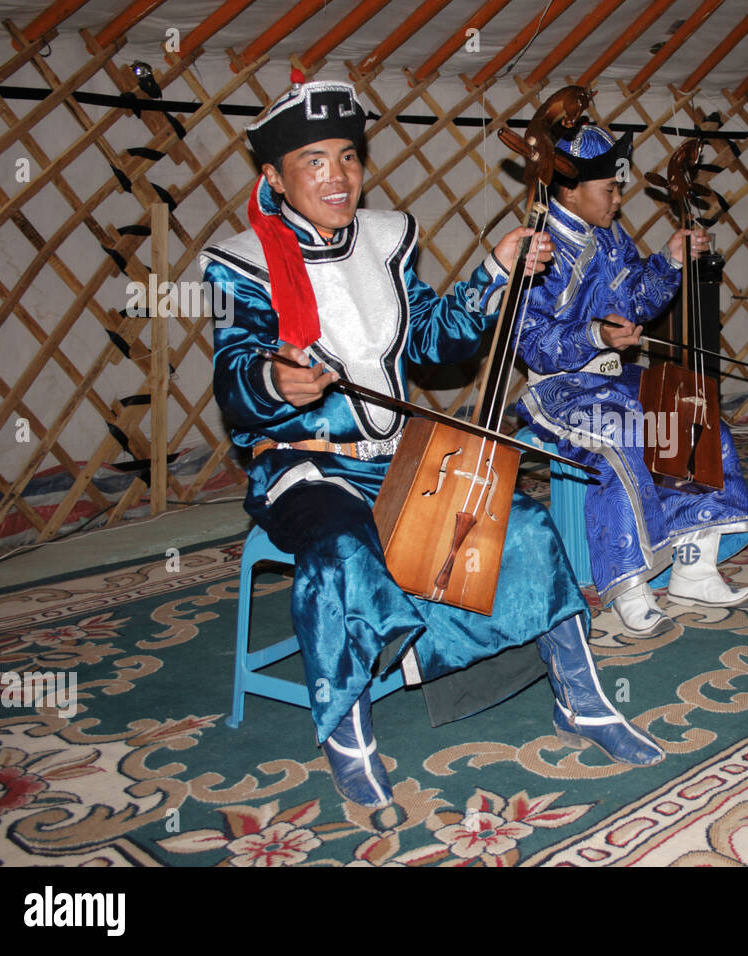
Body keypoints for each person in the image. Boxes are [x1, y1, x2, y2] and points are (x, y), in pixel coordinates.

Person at [202, 79, 663, 809]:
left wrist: (492, 272)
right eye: (314, 161)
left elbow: (437, 342)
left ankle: (582, 700)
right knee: (342, 549)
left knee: (525, 522)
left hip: (395, 458)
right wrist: (273, 379)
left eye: (348, 158)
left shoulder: (386, 241)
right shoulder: (237, 264)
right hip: (305, 468)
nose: (336, 177)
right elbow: (234, 374)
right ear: (273, 176)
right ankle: (348, 732)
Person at [513, 125, 748, 637]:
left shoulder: (609, 236)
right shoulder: (536, 248)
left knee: (692, 408)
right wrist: (595, 334)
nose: (619, 200)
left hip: (614, 377)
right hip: (558, 389)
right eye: (610, 190)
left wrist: (669, 260)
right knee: (622, 436)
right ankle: (628, 586)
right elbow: (529, 340)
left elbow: (638, 301)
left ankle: (694, 567)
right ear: (569, 190)